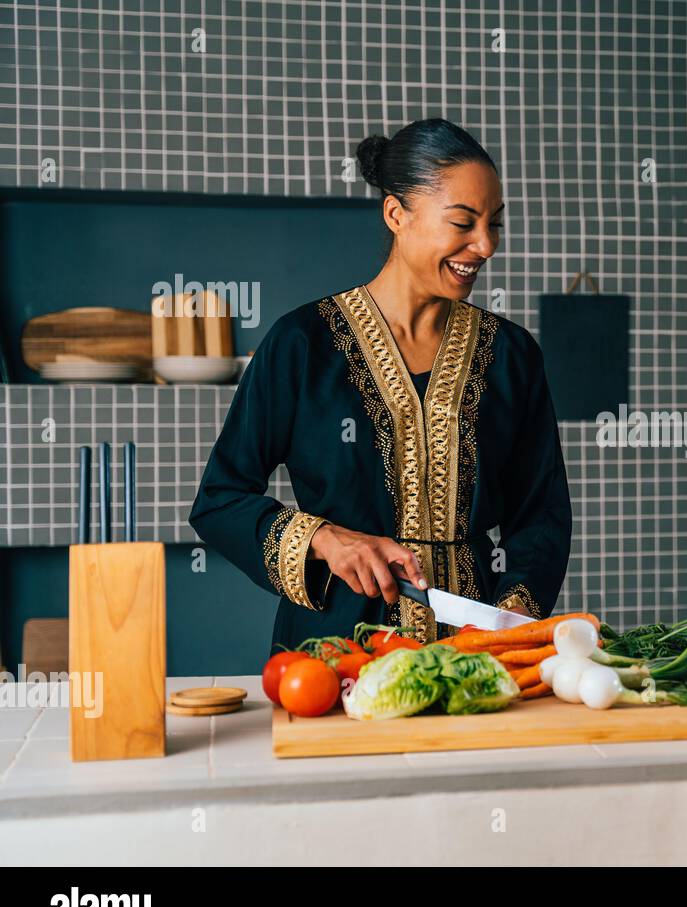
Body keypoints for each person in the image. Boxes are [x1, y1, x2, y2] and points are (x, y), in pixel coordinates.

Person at [190, 118, 572, 653]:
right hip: (336, 650)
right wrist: (324, 538)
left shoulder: (511, 355)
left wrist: (511, 619)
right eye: (463, 223)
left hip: (477, 650)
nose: (485, 245)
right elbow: (219, 499)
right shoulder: (303, 343)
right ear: (396, 214)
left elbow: (541, 513)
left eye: (495, 224)